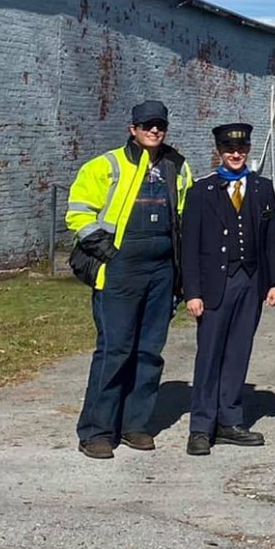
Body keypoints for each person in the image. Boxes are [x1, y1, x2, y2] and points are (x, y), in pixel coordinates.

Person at [65, 99, 190, 459]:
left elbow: (185, 215)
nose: (154, 131)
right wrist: (106, 251)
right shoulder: (106, 165)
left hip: (162, 270)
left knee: (149, 351)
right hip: (120, 270)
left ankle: (135, 425)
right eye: (147, 125)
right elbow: (78, 210)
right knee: (115, 348)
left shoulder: (178, 166)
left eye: (160, 125)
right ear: (132, 129)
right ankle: (97, 431)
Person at [181, 122, 275, 456]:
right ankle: (201, 426)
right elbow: (189, 246)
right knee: (209, 354)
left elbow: (271, 240)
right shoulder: (201, 191)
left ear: (249, 150)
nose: (235, 154)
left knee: (239, 352)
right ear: (219, 152)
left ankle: (229, 420)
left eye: (240, 149)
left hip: (250, 281)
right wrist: (192, 292)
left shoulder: (261, 188)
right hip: (215, 283)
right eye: (228, 150)